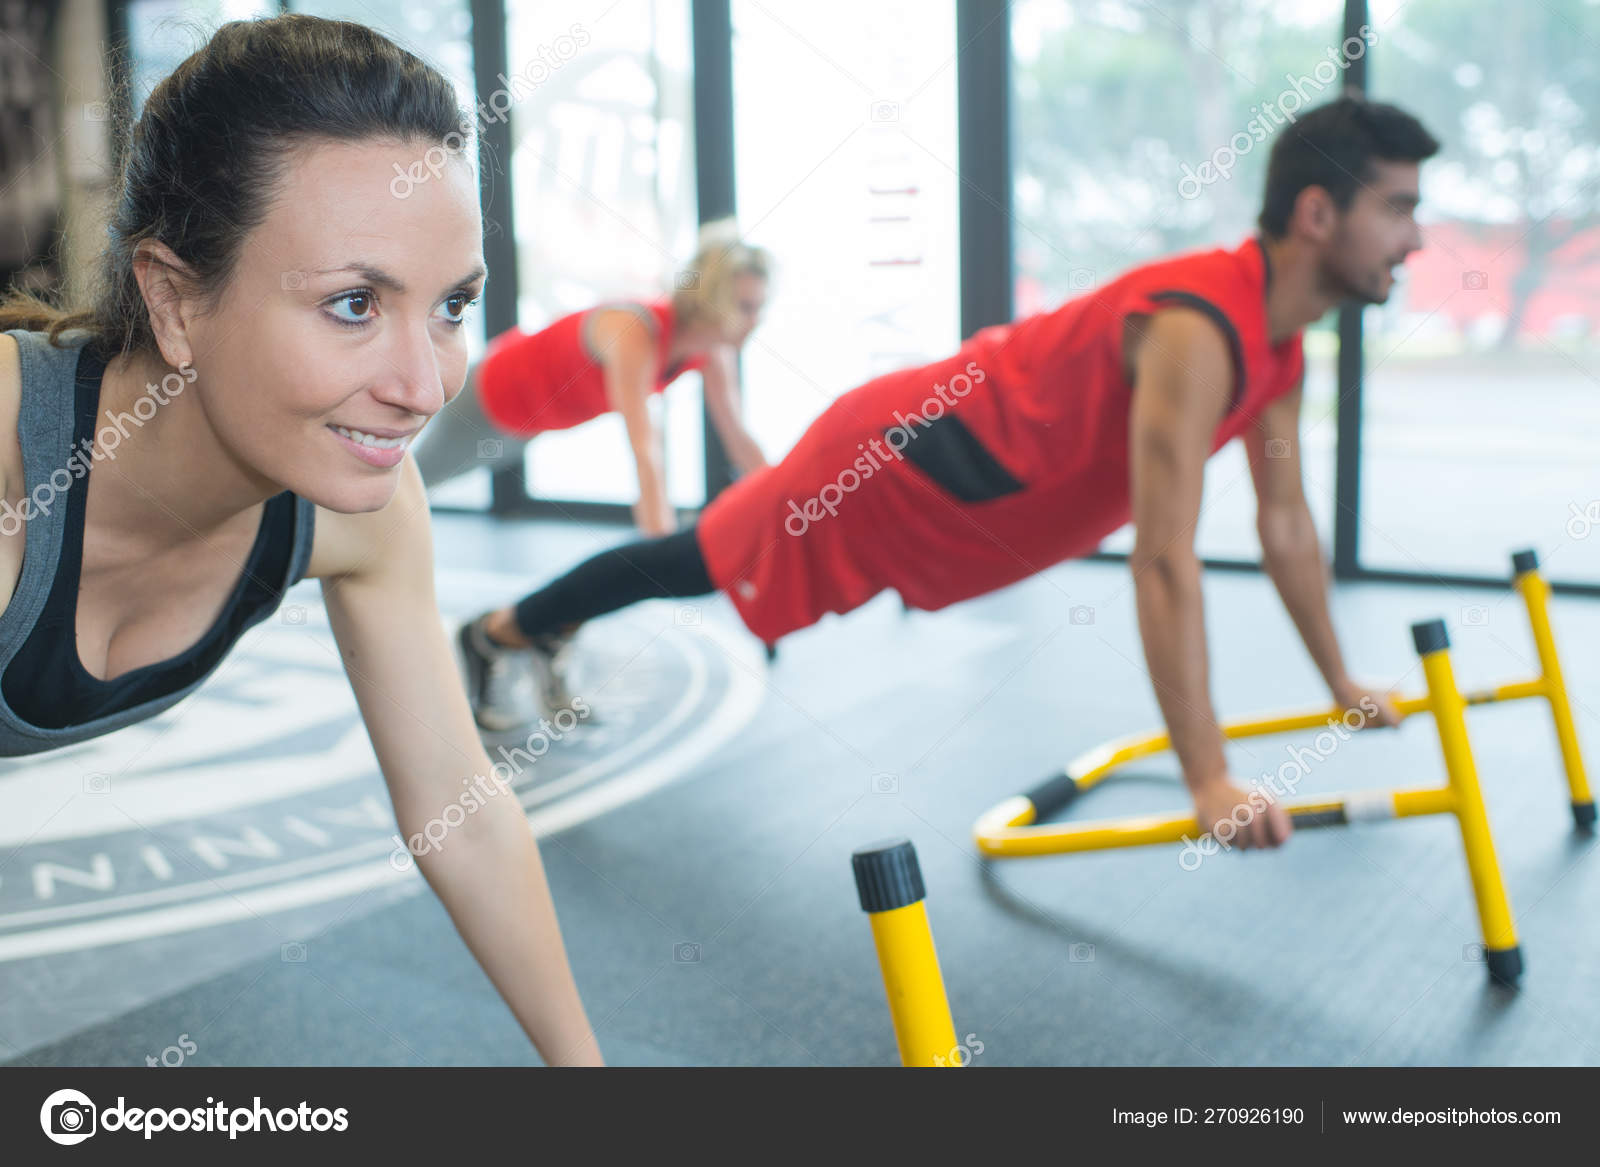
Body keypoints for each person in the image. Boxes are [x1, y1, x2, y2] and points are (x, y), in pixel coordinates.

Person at [458, 96, 1438, 852]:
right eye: (1398, 209)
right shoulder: (1199, 328)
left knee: (697, 558)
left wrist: (1342, 682)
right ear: (1316, 211)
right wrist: (1208, 780)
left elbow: (1288, 527)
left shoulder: (1276, 347)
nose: (1416, 239)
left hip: (949, 483)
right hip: (892, 462)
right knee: (699, 558)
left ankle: (538, 627)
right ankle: (499, 632)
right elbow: (1164, 561)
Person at [0, 14, 601, 1065]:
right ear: (177, 302)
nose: (422, 388)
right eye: (354, 303)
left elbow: (460, 816)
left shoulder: (362, 515)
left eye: (453, 304)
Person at [411, 220, 772, 537]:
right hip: (488, 398)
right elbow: (645, 446)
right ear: (712, 300)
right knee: (406, 490)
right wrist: (660, 549)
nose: (756, 320)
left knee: (409, 492)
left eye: (759, 307)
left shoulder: (711, 352)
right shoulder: (634, 331)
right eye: (746, 307)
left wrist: (785, 505)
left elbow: (739, 439)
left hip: (527, 425)